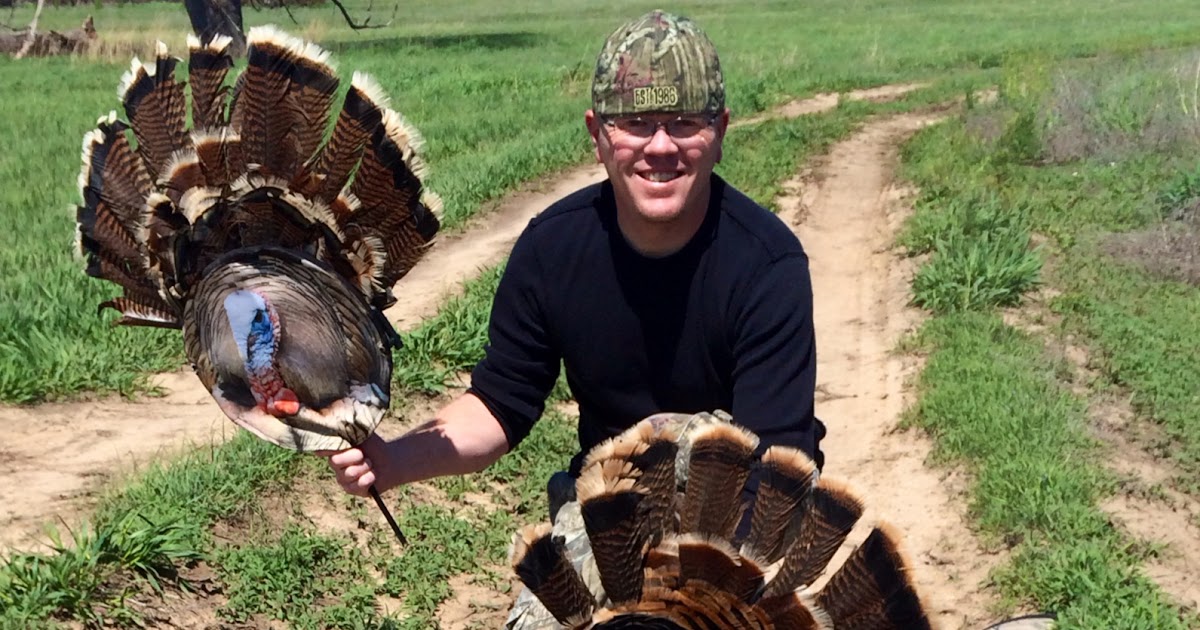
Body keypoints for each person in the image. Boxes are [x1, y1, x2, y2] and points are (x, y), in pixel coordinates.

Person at [326, 6, 824, 581]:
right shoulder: (551, 250)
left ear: (720, 133)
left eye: (685, 122)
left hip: (740, 520)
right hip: (611, 509)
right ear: (597, 135)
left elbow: (779, 463)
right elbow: (499, 405)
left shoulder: (767, 264)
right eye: (635, 124)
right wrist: (391, 460)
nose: (661, 147)